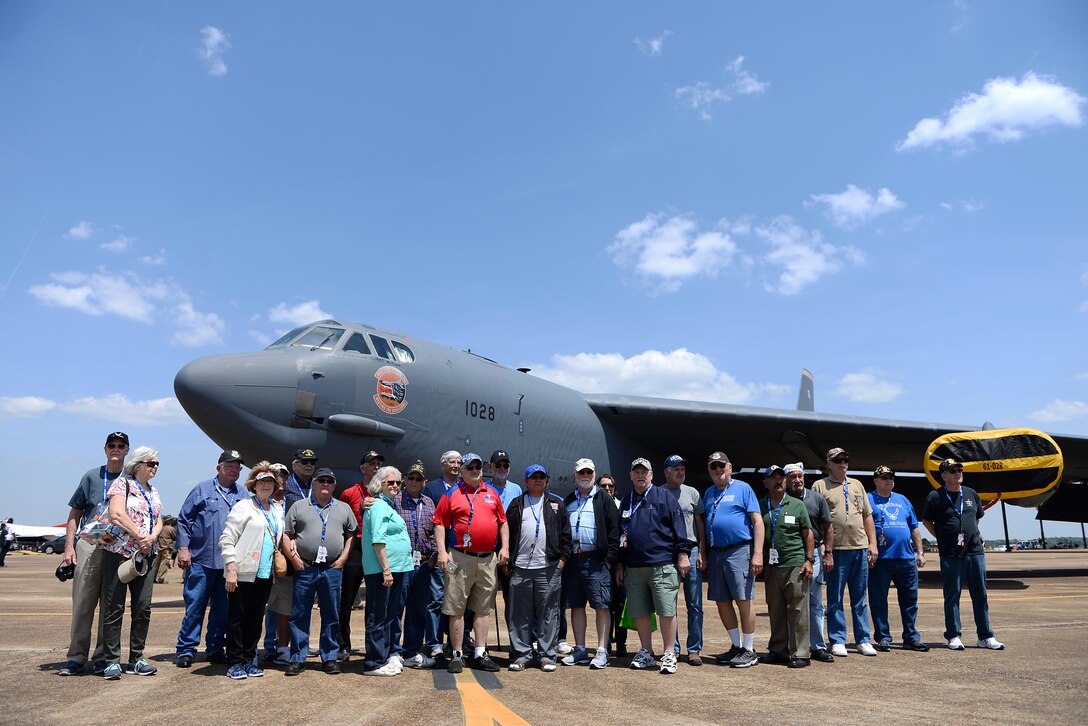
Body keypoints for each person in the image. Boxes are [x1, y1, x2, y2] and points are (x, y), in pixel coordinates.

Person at [58, 431, 128, 676]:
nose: (116, 449)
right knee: (83, 604)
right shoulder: (91, 477)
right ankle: (76, 657)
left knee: (110, 605)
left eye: (121, 445)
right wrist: (69, 547)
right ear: (105, 449)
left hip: (116, 547)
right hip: (89, 543)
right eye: (112, 445)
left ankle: (102, 657)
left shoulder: (131, 480)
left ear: (127, 450)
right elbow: (75, 514)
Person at [432, 452, 509, 673]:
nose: (476, 471)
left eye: (478, 467)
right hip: (460, 556)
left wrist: (504, 547)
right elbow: (439, 523)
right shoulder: (452, 494)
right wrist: (442, 552)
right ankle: (457, 654)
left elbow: (502, 522)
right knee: (456, 607)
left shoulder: (492, 493)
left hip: (486, 559)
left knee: (484, 608)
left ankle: (480, 652)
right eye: (471, 467)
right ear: (462, 471)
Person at [174, 450, 249, 668]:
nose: (234, 471)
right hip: (201, 559)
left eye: (237, 467)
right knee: (195, 606)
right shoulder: (202, 489)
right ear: (219, 468)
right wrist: (183, 548)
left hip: (229, 564)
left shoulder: (243, 495)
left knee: (222, 610)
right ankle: (186, 649)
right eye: (230, 466)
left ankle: (215, 649)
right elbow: (184, 519)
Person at [616, 458, 689, 675]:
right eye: (636, 471)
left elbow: (679, 527)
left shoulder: (664, 497)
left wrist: (683, 554)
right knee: (640, 611)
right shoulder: (627, 500)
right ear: (631, 475)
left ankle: (668, 653)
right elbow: (622, 533)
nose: (640, 475)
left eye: (644, 472)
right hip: (635, 566)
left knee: (666, 610)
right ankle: (646, 651)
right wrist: (620, 563)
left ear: (651, 475)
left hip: (662, 563)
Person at [922, 458, 1004, 651]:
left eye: (959, 469)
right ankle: (953, 635)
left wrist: (972, 534)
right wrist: (942, 538)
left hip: (975, 552)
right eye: (952, 471)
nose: (958, 473)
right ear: (943, 475)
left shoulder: (971, 494)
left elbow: (976, 517)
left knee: (980, 594)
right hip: (951, 554)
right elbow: (927, 521)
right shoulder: (935, 496)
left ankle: (985, 636)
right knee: (952, 595)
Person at [283, 468, 358, 675]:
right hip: (305, 567)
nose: (325, 484)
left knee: (331, 614)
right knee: (299, 614)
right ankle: (297, 657)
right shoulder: (299, 506)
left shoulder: (343, 508)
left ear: (334, 485)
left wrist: (343, 558)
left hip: (332, 568)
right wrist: (295, 559)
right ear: (313, 484)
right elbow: (286, 535)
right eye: (321, 480)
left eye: (329, 481)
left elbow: (351, 533)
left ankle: (330, 657)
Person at [100, 446, 164, 680]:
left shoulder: (153, 491)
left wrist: (153, 537)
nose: (154, 467)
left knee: (143, 607)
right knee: (114, 606)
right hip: (119, 552)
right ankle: (111, 661)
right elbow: (116, 514)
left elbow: (158, 519)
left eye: (157, 464)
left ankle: (137, 657)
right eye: (151, 463)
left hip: (147, 554)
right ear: (138, 465)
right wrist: (139, 535)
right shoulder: (122, 484)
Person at [220, 463, 285, 679]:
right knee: (238, 617)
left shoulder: (276, 509)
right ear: (253, 485)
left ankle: (249, 658)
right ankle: (235, 661)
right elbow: (227, 538)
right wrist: (231, 568)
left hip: (265, 573)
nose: (266, 485)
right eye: (262, 482)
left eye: (270, 482)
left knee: (256, 618)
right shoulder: (244, 507)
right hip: (244, 571)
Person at [812, 448, 879, 657]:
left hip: (859, 547)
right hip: (837, 550)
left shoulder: (857, 484)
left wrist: (873, 544)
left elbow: (867, 516)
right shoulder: (820, 486)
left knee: (860, 596)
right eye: (837, 460)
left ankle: (863, 639)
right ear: (829, 463)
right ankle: (838, 638)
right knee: (835, 597)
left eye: (845, 459)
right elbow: (816, 518)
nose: (843, 463)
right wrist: (824, 548)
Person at [506, 465, 571, 672]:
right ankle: (522, 655)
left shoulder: (556, 504)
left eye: (542, 477)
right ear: (526, 481)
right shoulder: (516, 505)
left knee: (549, 613)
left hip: (548, 567)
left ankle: (546, 655)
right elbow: (507, 533)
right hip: (521, 567)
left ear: (547, 481)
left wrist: (561, 562)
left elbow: (566, 537)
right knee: (519, 614)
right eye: (533, 477)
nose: (538, 480)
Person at [702, 452, 763, 669]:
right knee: (722, 600)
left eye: (721, 466)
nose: (718, 470)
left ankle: (749, 649)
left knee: (743, 598)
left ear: (730, 467)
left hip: (739, 550)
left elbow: (757, 521)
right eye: (713, 467)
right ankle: (736, 646)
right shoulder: (709, 493)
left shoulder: (743, 488)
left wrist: (757, 553)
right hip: (716, 552)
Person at [559, 458, 619, 670]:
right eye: (581, 473)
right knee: (576, 606)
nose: (585, 476)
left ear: (594, 475)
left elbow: (614, 530)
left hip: (596, 560)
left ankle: (602, 651)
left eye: (589, 473)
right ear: (575, 476)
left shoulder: (603, 499)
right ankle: (581, 650)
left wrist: (610, 560)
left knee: (601, 605)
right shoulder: (569, 500)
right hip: (575, 560)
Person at [757, 465, 814, 668]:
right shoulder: (760, 505)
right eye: (773, 478)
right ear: (766, 483)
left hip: (795, 564)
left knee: (799, 610)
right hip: (772, 566)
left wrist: (809, 560)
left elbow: (808, 534)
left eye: (781, 477)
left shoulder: (797, 505)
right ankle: (778, 649)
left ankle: (801, 653)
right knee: (776, 609)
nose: (778, 481)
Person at [867, 465, 929, 652]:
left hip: (906, 558)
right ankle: (883, 637)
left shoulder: (902, 500)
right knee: (878, 600)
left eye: (891, 477)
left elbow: (914, 527)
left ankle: (911, 636)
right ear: (876, 480)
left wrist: (920, 552)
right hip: (881, 559)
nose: (889, 480)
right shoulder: (869, 499)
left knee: (910, 599)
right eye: (884, 477)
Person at [265, 450, 318, 664]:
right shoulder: (286, 489)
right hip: (285, 555)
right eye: (304, 462)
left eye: (312, 462)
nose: (308, 465)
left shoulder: (314, 487)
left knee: (303, 603)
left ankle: (300, 642)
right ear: (295, 465)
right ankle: (274, 645)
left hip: (308, 556)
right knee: (279, 604)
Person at [361, 466, 414, 676]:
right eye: (389, 482)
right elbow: (378, 540)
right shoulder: (379, 507)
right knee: (378, 615)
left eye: (397, 482)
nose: (394, 486)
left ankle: (386, 655)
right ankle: (374, 662)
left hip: (398, 568)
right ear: (379, 485)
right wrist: (386, 570)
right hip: (383, 570)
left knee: (390, 614)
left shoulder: (388, 506)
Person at [784, 463, 836, 663]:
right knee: (791, 603)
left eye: (799, 476)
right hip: (788, 557)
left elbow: (828, 528)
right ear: (787, 480)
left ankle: (818, 646)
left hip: (812, 556)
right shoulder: (783, 499)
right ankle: (793, 646)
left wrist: (828, 553)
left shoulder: (816, 499)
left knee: (814, 603)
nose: (797, 480)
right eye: (792, 477)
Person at [660, 454, 706, 666]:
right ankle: (674, 648)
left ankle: (694, 649)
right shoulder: (658, 493)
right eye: (675, 469)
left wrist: (703, 552)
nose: (680, 472)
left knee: (694, 603)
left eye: (682, 469)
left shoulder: (693, 493)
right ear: (666, 472)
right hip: (667, 552)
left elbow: (700, 525)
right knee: (669, 603)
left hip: (692, 548)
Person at [337, 449, 383, 661]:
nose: (375, 467)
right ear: (362, 468)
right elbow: (343, 523)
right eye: (371, 464)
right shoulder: (349, 493)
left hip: (376, 549)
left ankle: (371, 645)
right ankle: (343, 645)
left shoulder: (384, 493)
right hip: (356, 547)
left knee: (374, 602)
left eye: (378, 464)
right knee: (346, 599)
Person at [392, 461, 438, 669]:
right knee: (395, 608)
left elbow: (436, 529)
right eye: (410, 478)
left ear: (424, 482)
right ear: (404, 480)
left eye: (418, 479)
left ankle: (411, 651)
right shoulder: (395, 501)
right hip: (401, 562)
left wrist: (435, 555)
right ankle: (393, 651)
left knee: (417, 610)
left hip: (423, 564)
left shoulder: (429, 503)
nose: (414, 481)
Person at [422, 450, 462, 659]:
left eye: (458, 462)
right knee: (436, 598)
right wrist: (434, 551)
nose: (456, 465)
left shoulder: (465, 488)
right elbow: (429, 523)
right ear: (443, 465)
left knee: (457, 599)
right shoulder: (432, 489)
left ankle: (458, 640)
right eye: (452, 462)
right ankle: (435, 641)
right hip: (440, 554)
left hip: (460, 555)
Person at [487, 449, 521, 632]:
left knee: (511, 596)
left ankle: (514, 638)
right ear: (491, 467)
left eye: (505, 465)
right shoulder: (483, 487)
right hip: (489, 546)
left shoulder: (516, 489)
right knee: (484, 596)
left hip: (509, 547)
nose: (501, 468)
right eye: (498, 465)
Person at [598, 473, 628, 656]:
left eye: (610, 486)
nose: (607, 489)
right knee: (605, 604)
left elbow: (625, 536)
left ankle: (621, 644)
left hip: (619, 562)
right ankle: (607, 643)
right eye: (603, 486)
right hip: (602, 562)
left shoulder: (621, 506)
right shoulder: (595, 505)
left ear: (615, 489)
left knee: (620, 603)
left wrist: (620, 564)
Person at [154, 516, 177, 583]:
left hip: (158, 547)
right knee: (164, 563)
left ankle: (154, 577)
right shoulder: (171, 529)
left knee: (157, 564)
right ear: (169, 521)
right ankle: (161, 578)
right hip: (166, 547)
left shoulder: (160, 528)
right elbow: (175, 537)